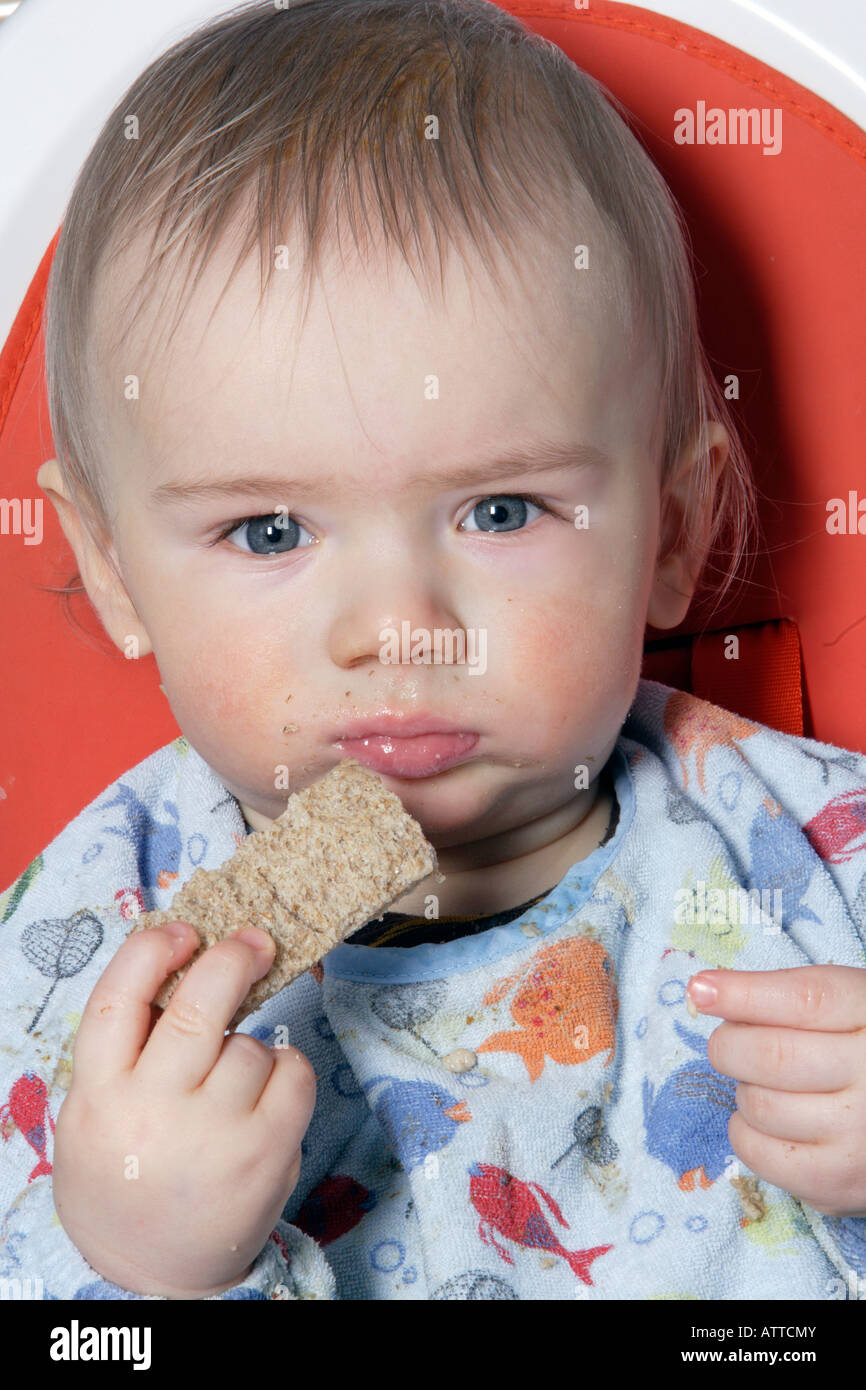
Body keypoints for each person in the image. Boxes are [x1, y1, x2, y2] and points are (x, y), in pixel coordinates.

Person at [2, 0, 865, 1301]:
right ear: (117, 570)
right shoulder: (72, 955)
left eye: (500, 510)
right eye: (270, 527)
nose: (394, 625)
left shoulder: (812, 869)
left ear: (671, 530)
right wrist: (138, 1268)